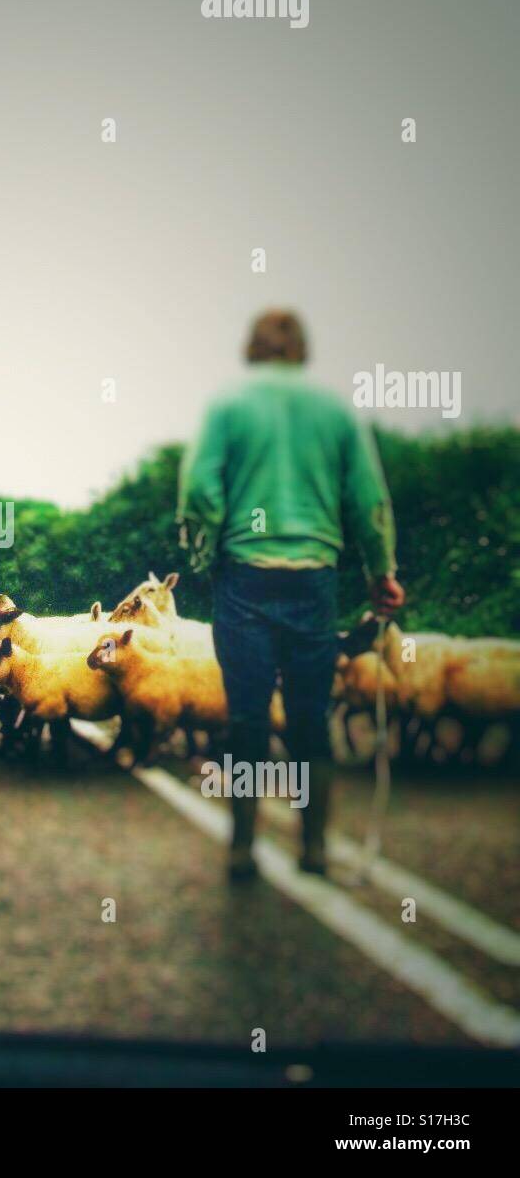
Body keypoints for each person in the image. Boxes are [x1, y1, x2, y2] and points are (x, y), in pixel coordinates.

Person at [177, 310, 404, 880]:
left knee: (249, 717)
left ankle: (243, 848)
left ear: (251, 347)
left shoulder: (227, 405)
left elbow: (200, 490)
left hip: (244, 577)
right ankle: (314, 849)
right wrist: (382, 571)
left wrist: (207, 555)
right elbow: (368, 501)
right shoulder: (334, 411)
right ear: (303, 350)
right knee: (309, 716)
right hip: (313, 580)